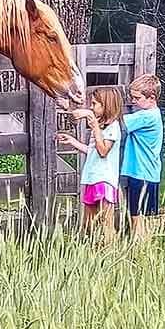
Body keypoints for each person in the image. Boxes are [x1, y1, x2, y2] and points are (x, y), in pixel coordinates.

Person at [72, 74, 163, 243]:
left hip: (142, 172)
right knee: (138, 214)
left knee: (137, 216)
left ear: (151, 98)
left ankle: (140, 247)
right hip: (145, 172)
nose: (133, 101)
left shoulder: (146, 116)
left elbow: (115, 121)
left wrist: (88, 114)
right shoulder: (152, 114)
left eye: (137, 98)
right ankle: (141, 247)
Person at [57, 87, 124, 245]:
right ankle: (95, 250)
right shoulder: (101, 127)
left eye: (95, 104)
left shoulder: (113, 128)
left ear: (106, 105)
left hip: (104, 180)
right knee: (89, 223)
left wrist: (94, 126)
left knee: (105, 222)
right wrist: (73, 142)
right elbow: (92, 151)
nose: (92, 107)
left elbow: (102, 151)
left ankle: (111, 250)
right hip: (92, 177)